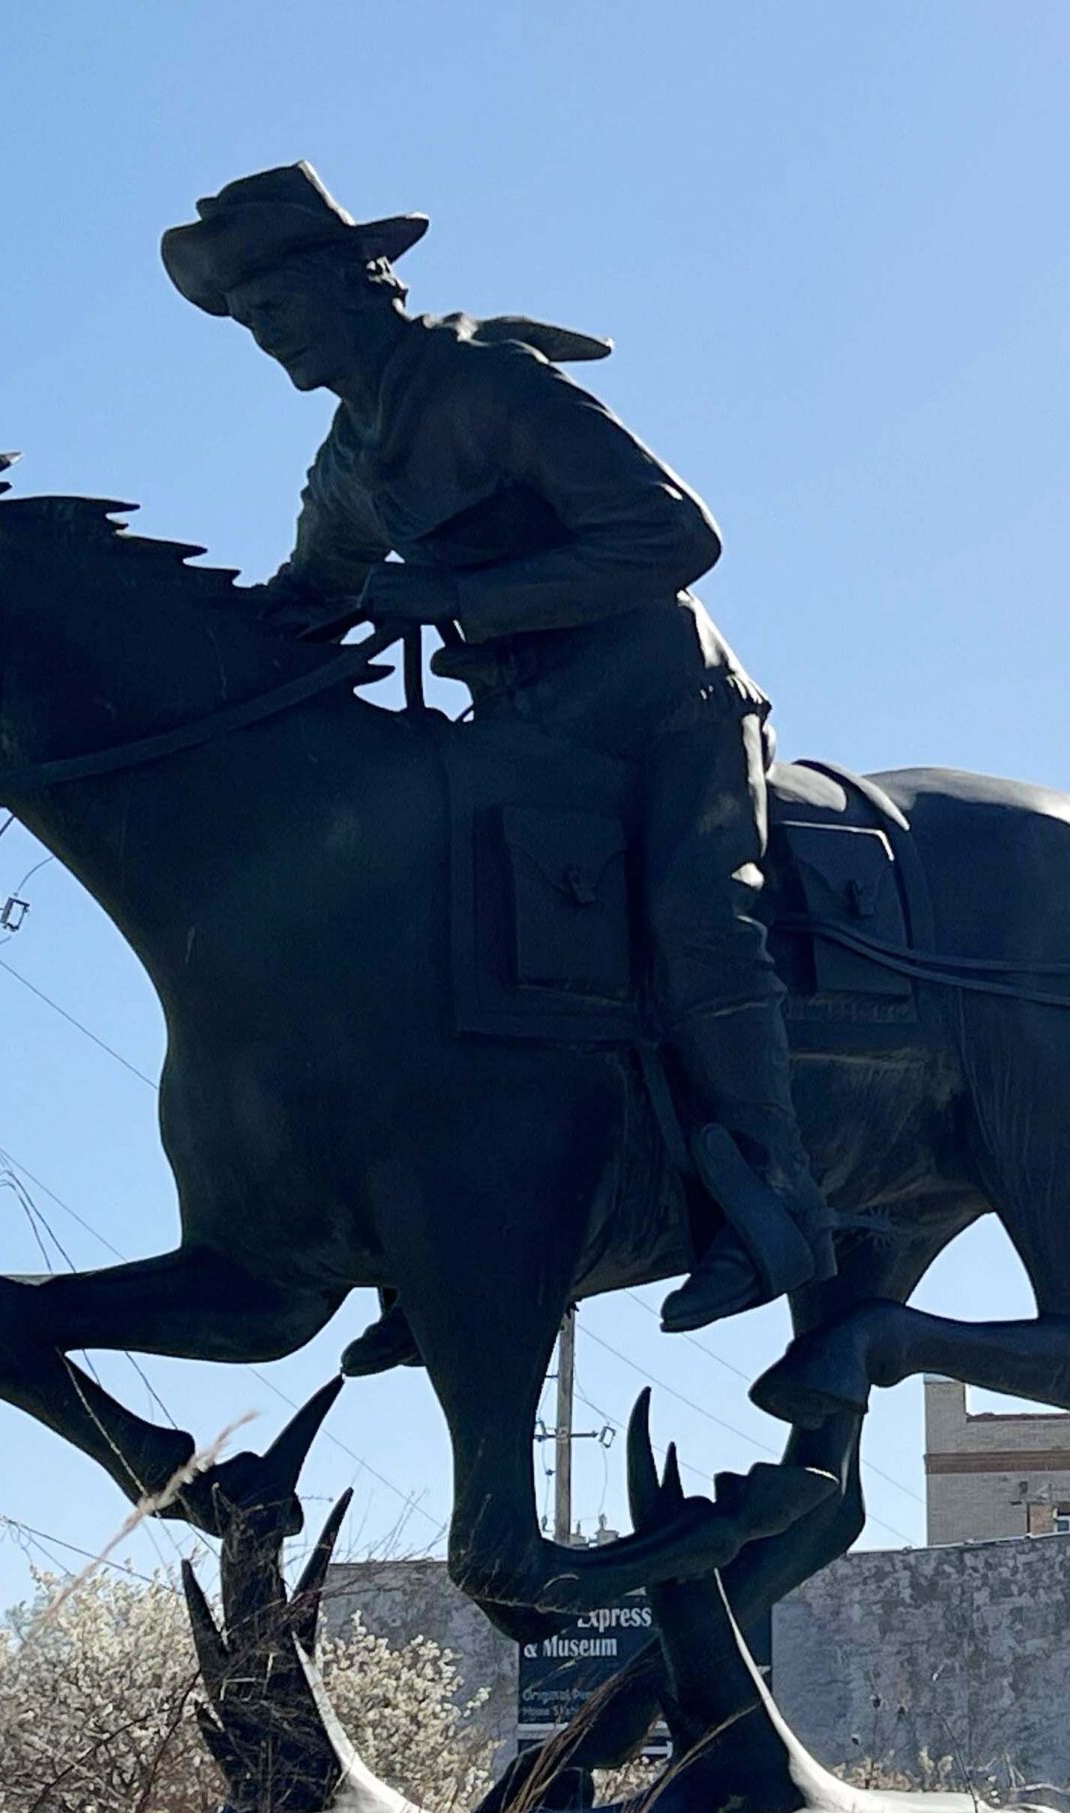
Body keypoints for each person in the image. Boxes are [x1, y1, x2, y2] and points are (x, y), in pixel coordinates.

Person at [162, 163, 835, 1334]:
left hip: (666, 708)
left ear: (348, 282)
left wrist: (461, 596)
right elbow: (306, 602)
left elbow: (675, 536)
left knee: (697, 914)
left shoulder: (487, 387)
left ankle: (775, 1199)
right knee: (420, 929)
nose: (261, 335)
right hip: (530, 739)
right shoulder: (347, 463)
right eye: (245, 319)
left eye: (271, 306)